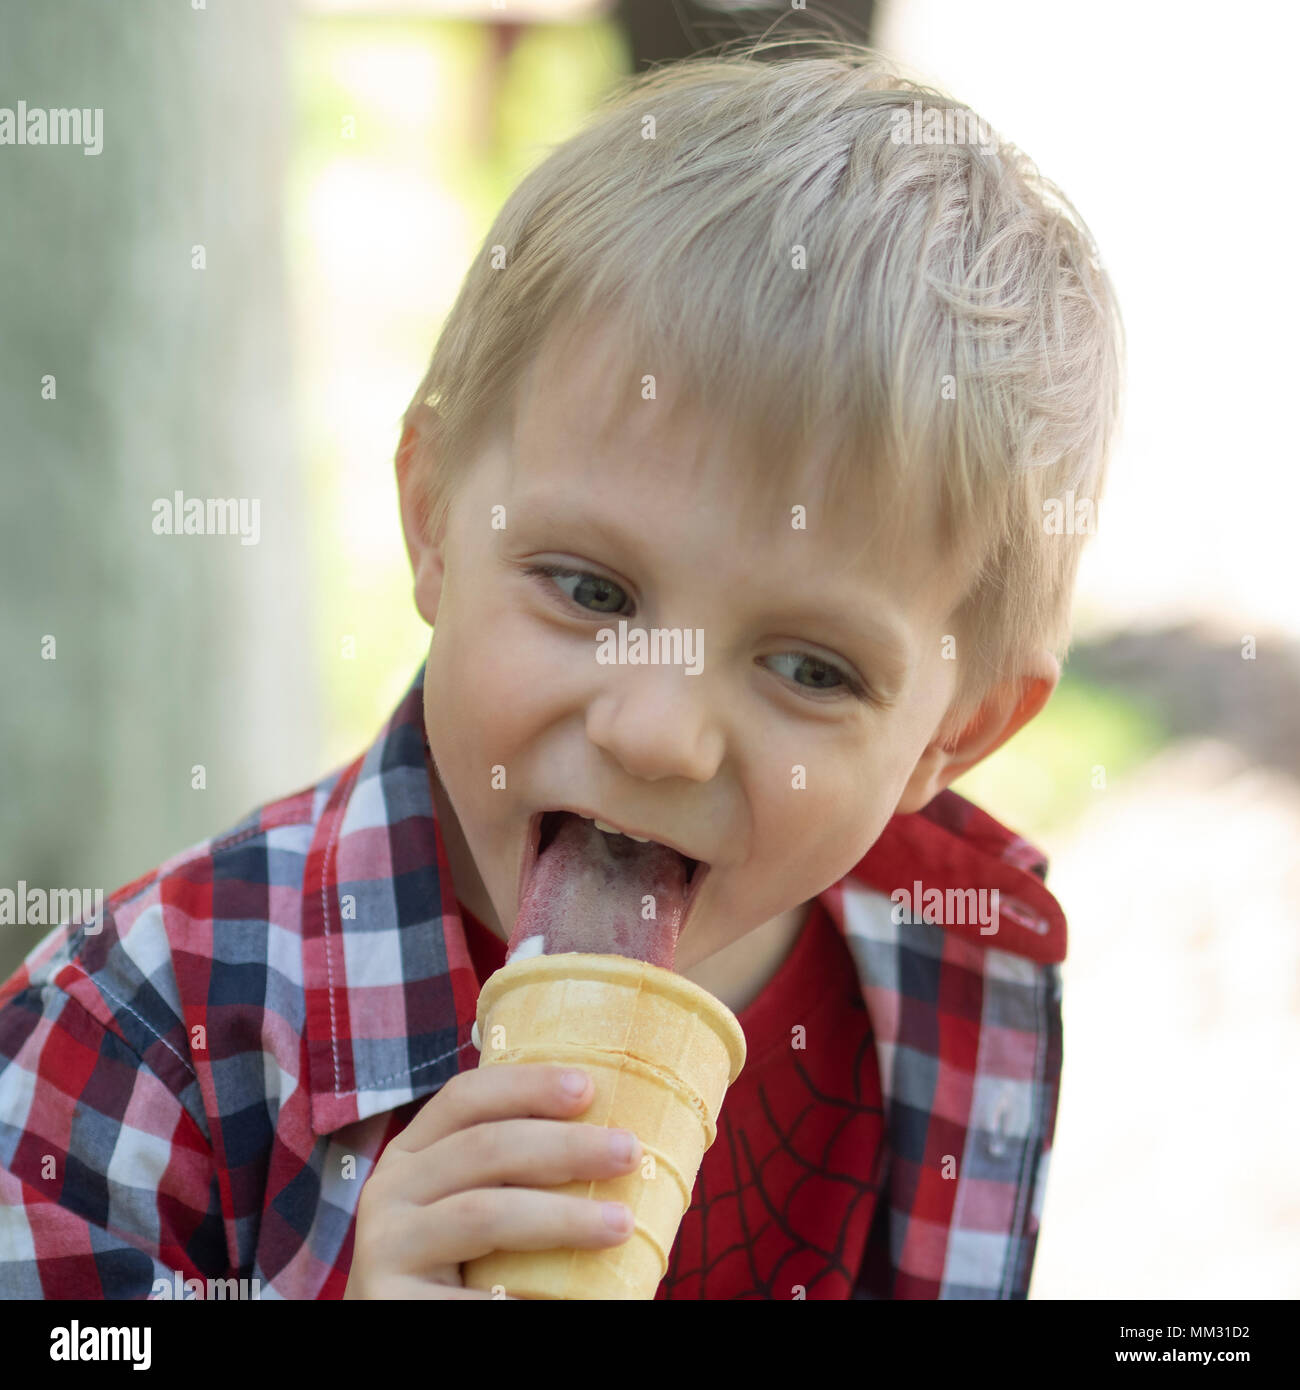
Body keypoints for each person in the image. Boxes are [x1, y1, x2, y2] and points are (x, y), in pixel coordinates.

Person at [0, 36, 1122, 1299]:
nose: (655, 731)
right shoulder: (138, 1031)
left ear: (953, 735)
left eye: (809, 668)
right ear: (431, 520)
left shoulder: (955, 970)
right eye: (590, 591)